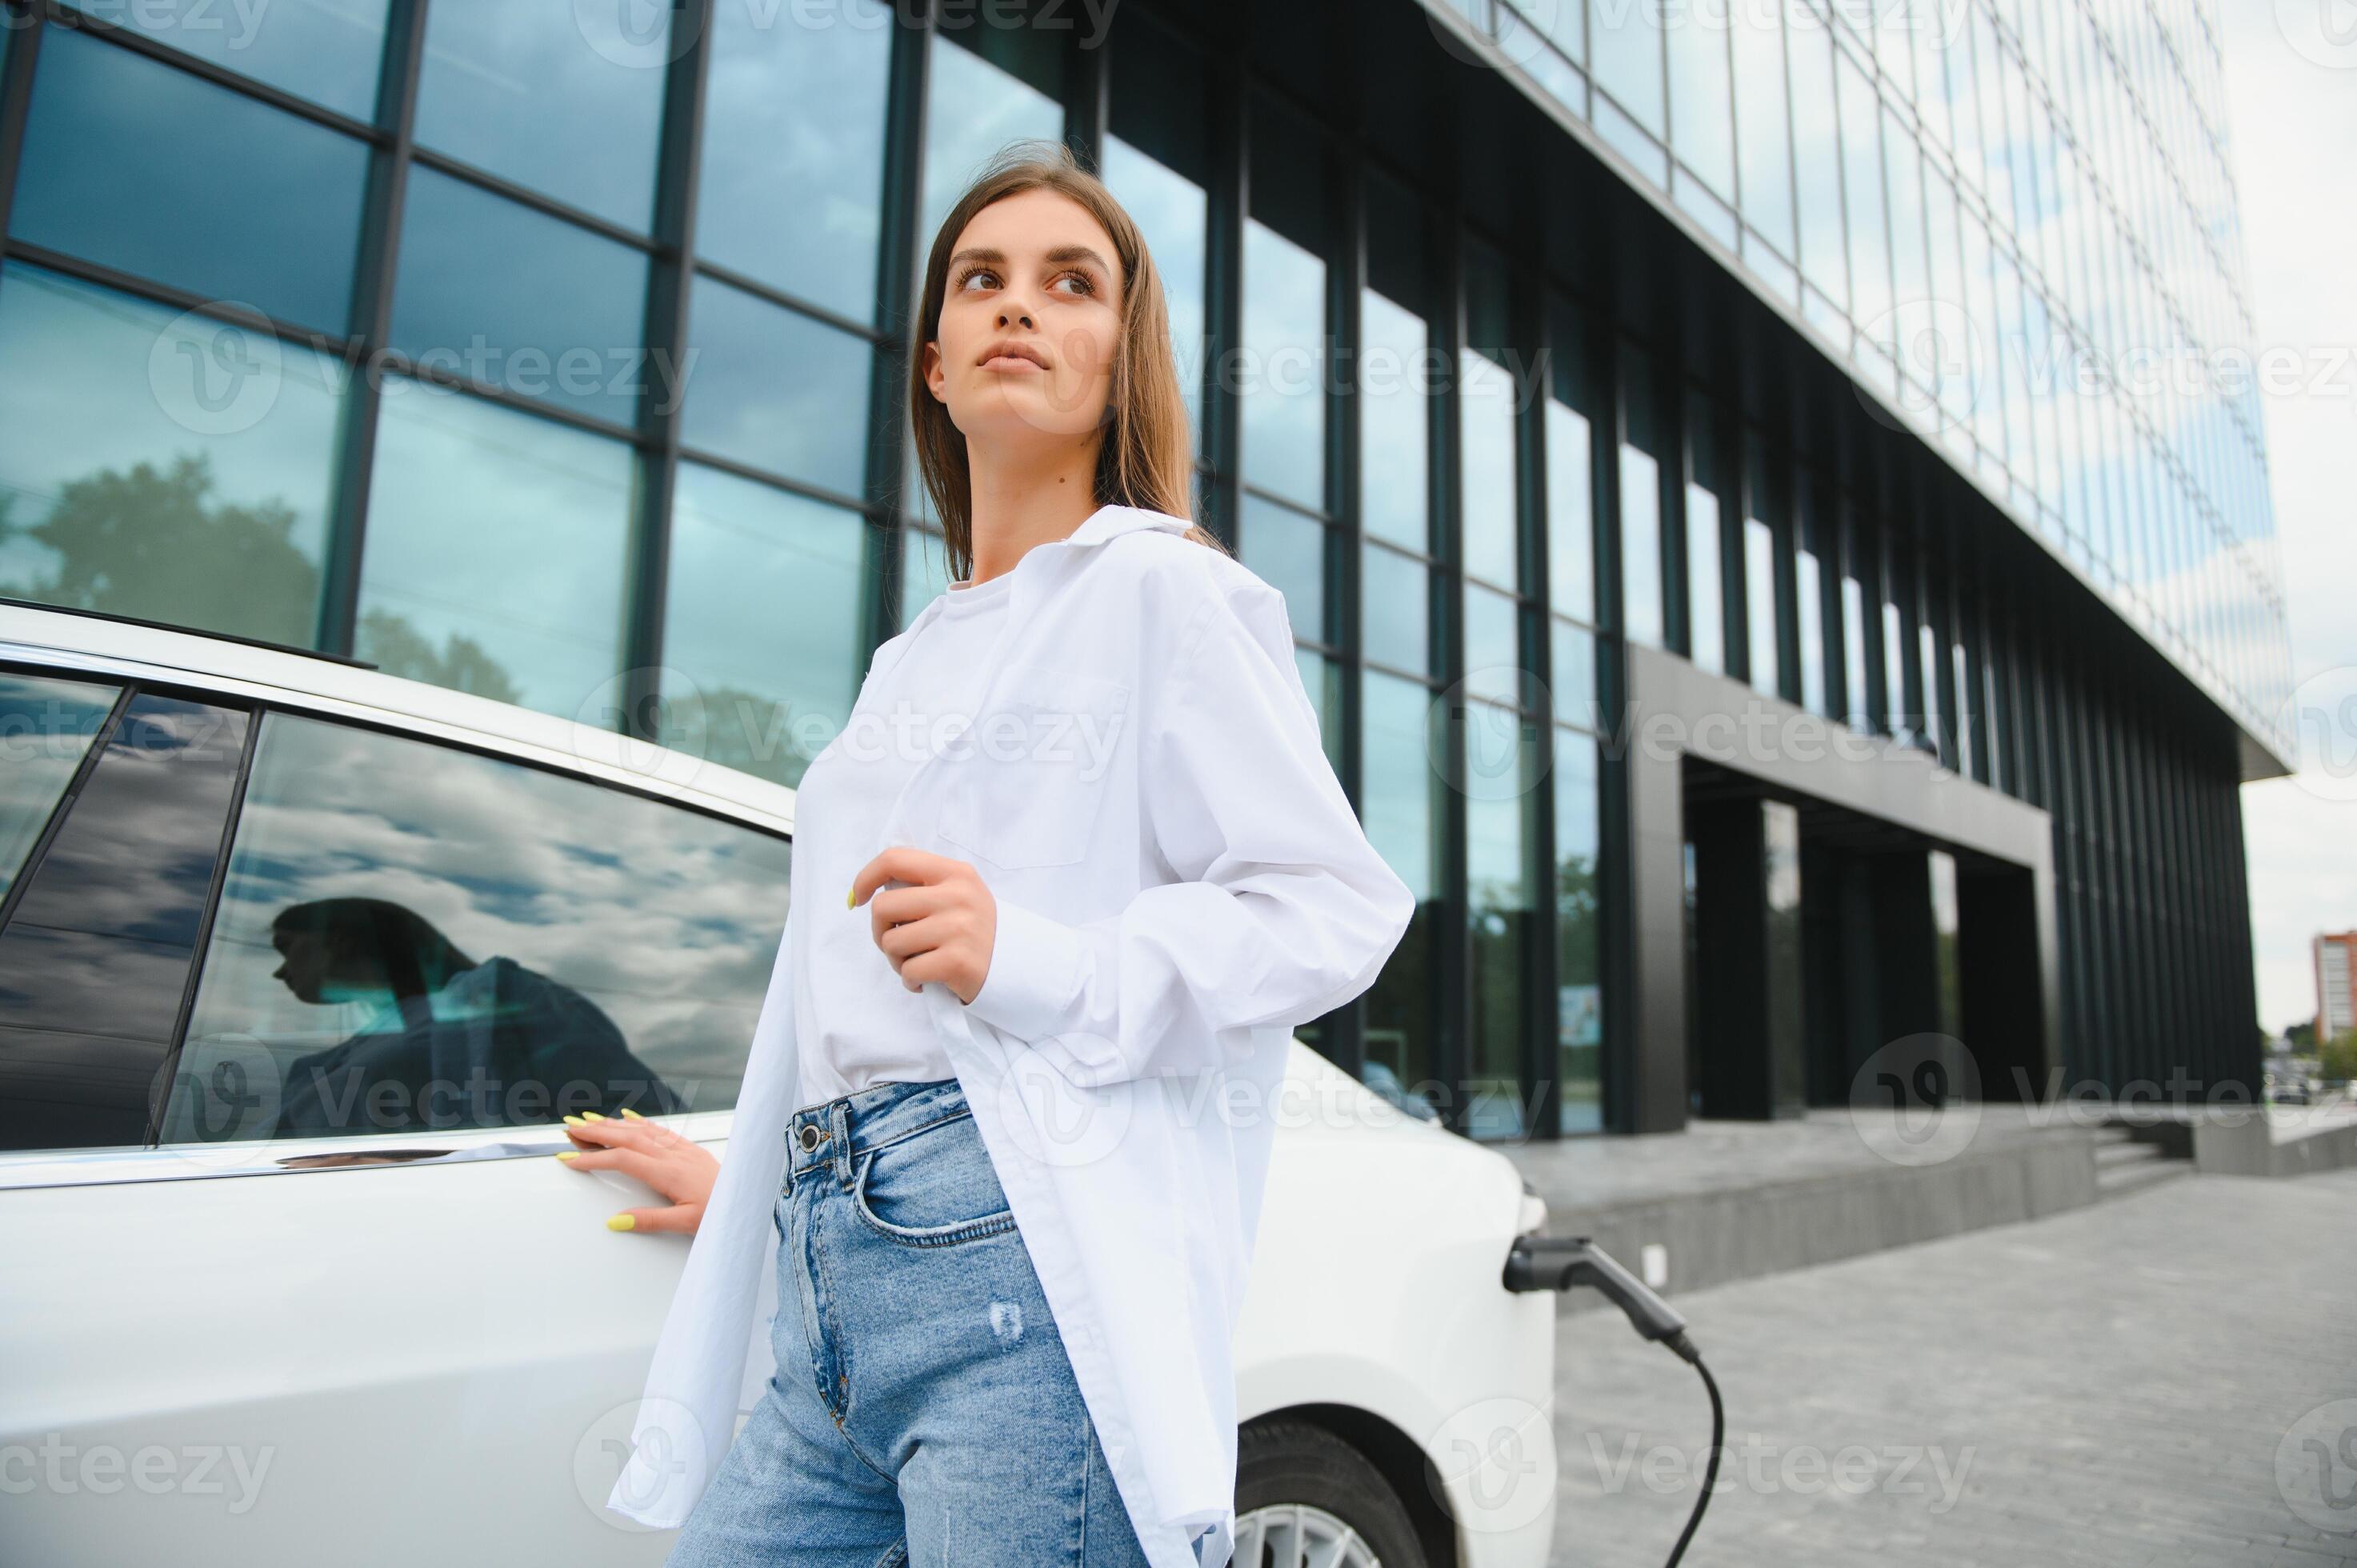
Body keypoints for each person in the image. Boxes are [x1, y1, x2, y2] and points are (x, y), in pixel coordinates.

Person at [565, 139, 1415, 1568]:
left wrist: (1040, 958)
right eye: (983, 280)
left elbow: (1331, 908)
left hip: (1022, 1269)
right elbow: (832, 995)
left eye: (1068, 283)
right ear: (937, 365)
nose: (1019, 305)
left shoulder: (1164, 588)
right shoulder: (906, 664)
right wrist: (774, 1185)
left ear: (1113, 357)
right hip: (837, 1273)